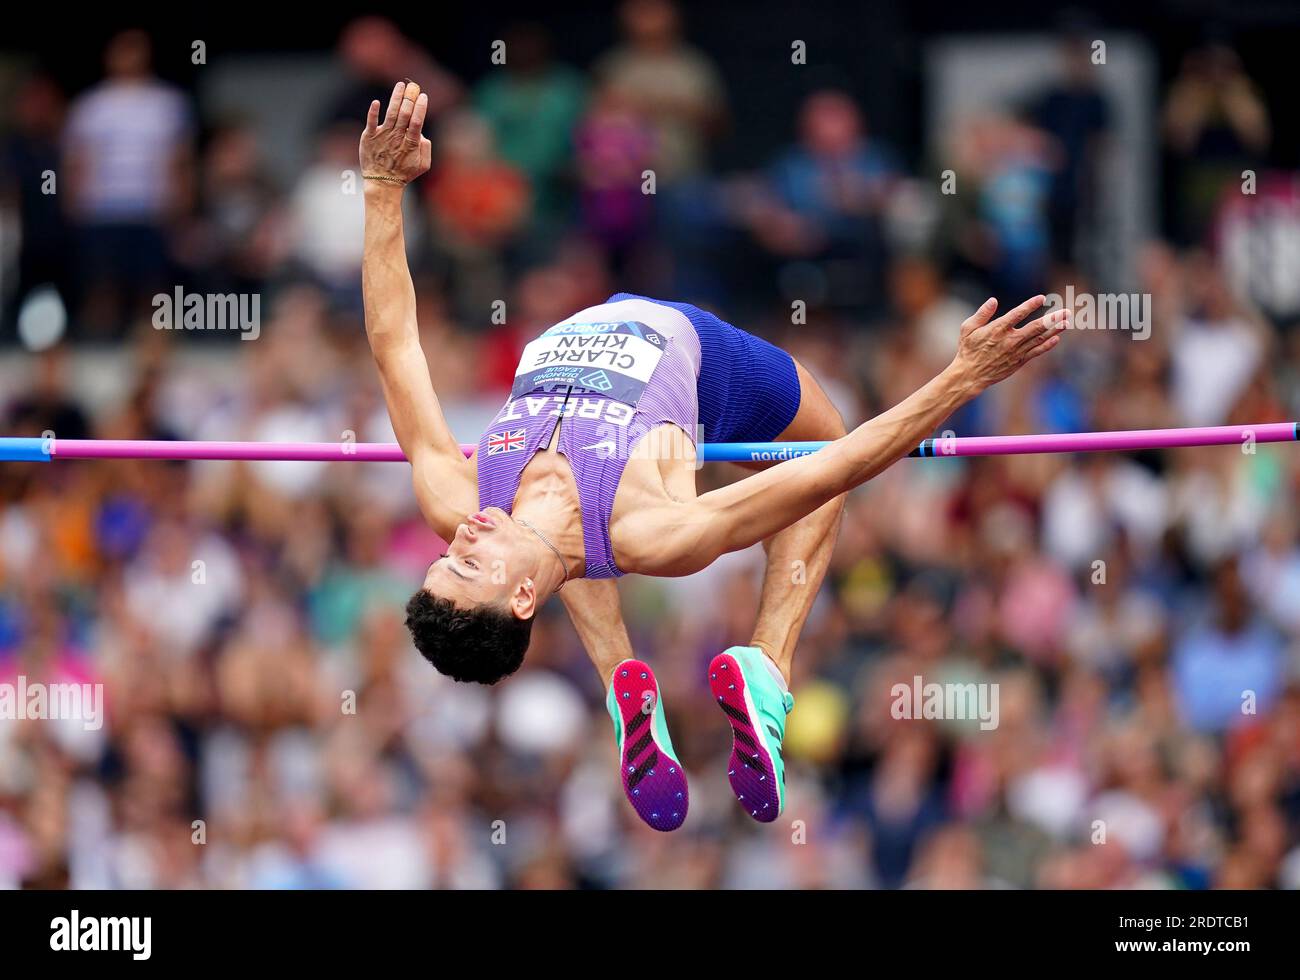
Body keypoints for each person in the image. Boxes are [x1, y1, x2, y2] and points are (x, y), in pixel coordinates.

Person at [359, 81, 1069, 831]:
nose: (460, 538)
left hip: (588, 336)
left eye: (447, 554)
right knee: (812, 456)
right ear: (522, 603)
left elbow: (395, 345)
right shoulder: (654, 533)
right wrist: (959, 379)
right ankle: (767, 667)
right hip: (699, 362)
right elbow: (838, 466)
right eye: (468, 566)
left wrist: (381, 189)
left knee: (557, 538)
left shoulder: (460, 499)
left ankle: (620, 683)